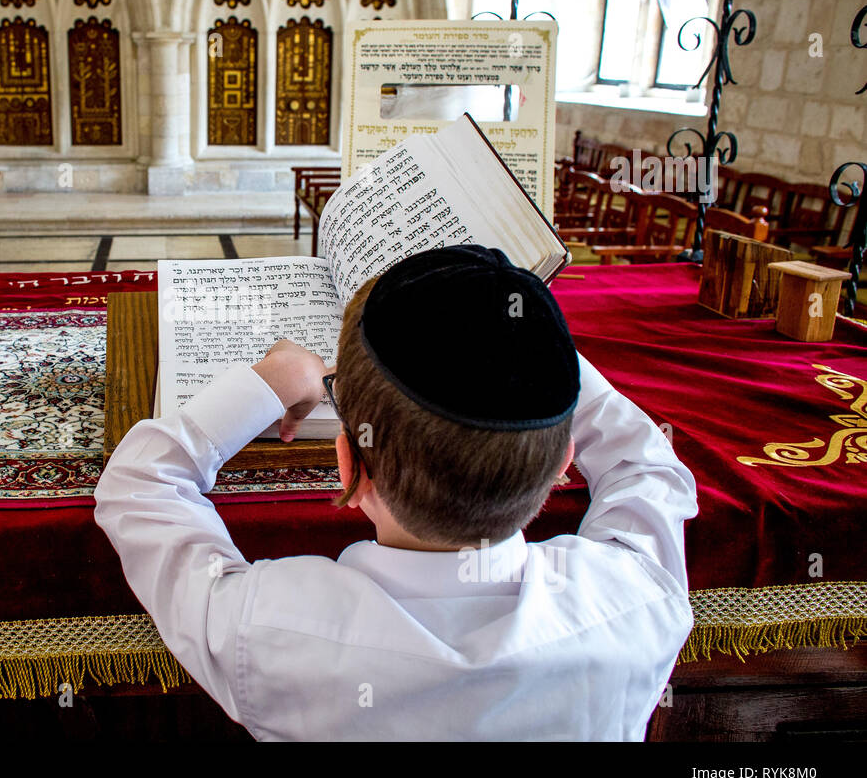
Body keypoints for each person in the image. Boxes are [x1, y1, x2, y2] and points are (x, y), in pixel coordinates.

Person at [94, 246, 697, 740]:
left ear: (348, 465)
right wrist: (522, 339)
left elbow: (141, 484)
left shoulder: (267, 630)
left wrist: (271, 383)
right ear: (564, 463)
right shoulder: (636, 602)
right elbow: (647, 466)